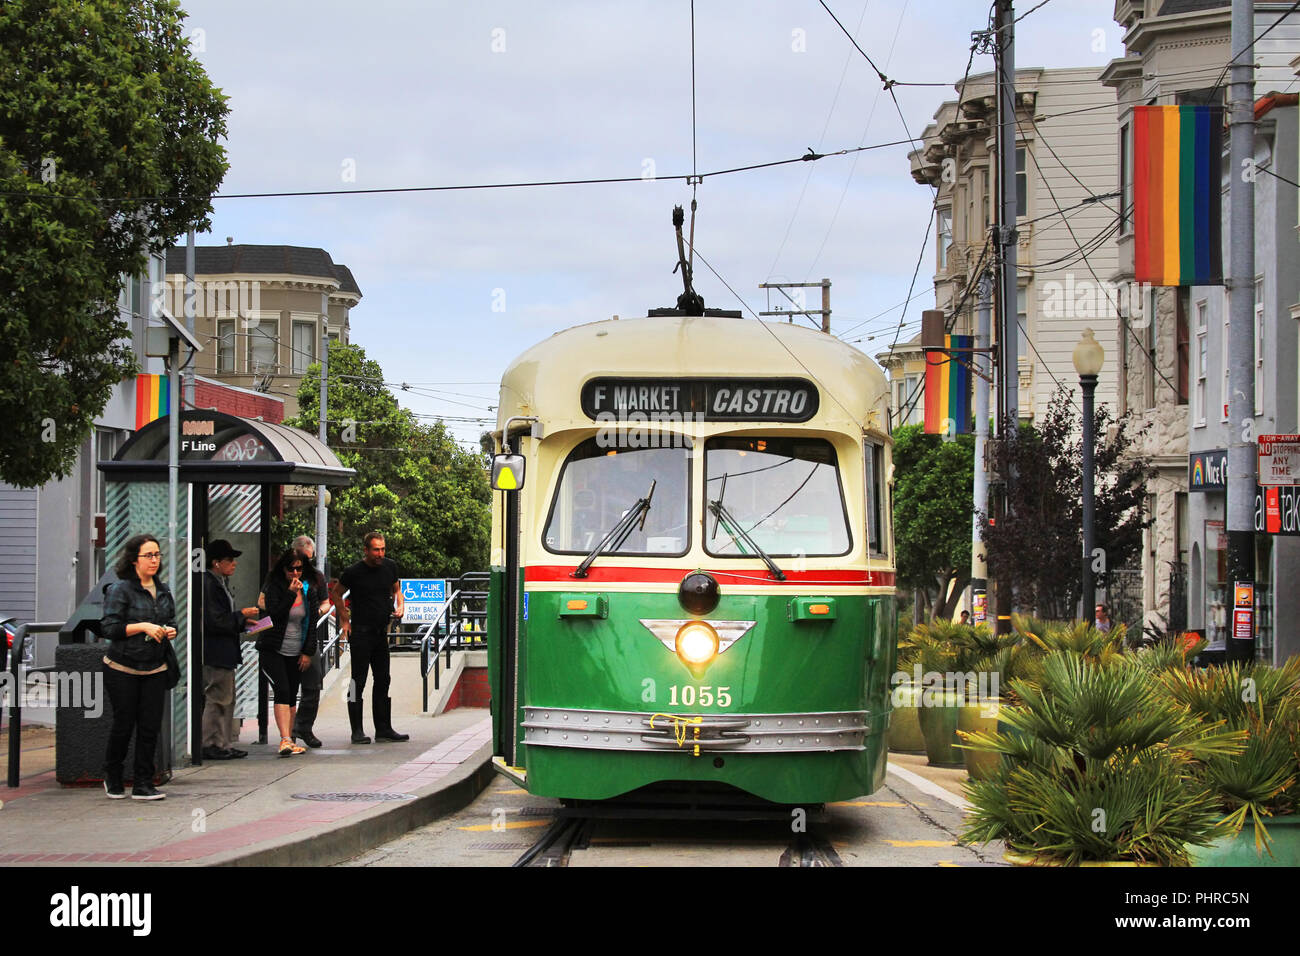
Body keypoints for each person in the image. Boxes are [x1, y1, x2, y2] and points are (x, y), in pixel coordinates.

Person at [100, 533, 176, 800]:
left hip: (155, 667)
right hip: (122, 667)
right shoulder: (121, 589)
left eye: (157, 555)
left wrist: (168, 631)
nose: (154, 560)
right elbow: (109, 627)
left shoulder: (163, 589)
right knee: (124, 722)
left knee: (149, 725)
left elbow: (172, 620)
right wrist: (142, 626)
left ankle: (144, 782)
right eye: (148, 555)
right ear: (134, 560)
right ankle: (113, 773)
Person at [259, 535, 332, 748]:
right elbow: (269, 608)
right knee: (283, 690)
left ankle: (301, 728)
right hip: (276, 645)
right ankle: (287, 737)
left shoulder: (314, 580)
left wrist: (308, 649)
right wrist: (290, 595)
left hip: (303, 643)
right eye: (293, 567)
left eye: (302, 566)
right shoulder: (275, 583)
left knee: (307, 686)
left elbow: (320, 609)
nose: (297, 572)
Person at [338, 532, 407, 744]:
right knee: (356, 681)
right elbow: (337, 594)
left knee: (383, 679)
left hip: (380, 633)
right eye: (376, 550)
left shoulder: (390, 567)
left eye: (383, 549)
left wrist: (401, 605)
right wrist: (344, 621)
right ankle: (356, 730)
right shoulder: (353, 572)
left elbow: (397, 589)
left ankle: (383, 728)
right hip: (360, 632)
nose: (380, 554)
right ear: (366, 550)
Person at [201, 540, 260, 760]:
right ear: (216, 563)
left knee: (226, 698)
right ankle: (211, 742)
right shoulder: (210, 584)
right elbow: (215, 621)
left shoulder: (219, 583)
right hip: (217, 651)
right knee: (218, 698)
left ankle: (223, 742)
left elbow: (221, 620)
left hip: (224, 650)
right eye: (229, 560)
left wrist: (242, 622)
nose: (234, 564)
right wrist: (241, 615)